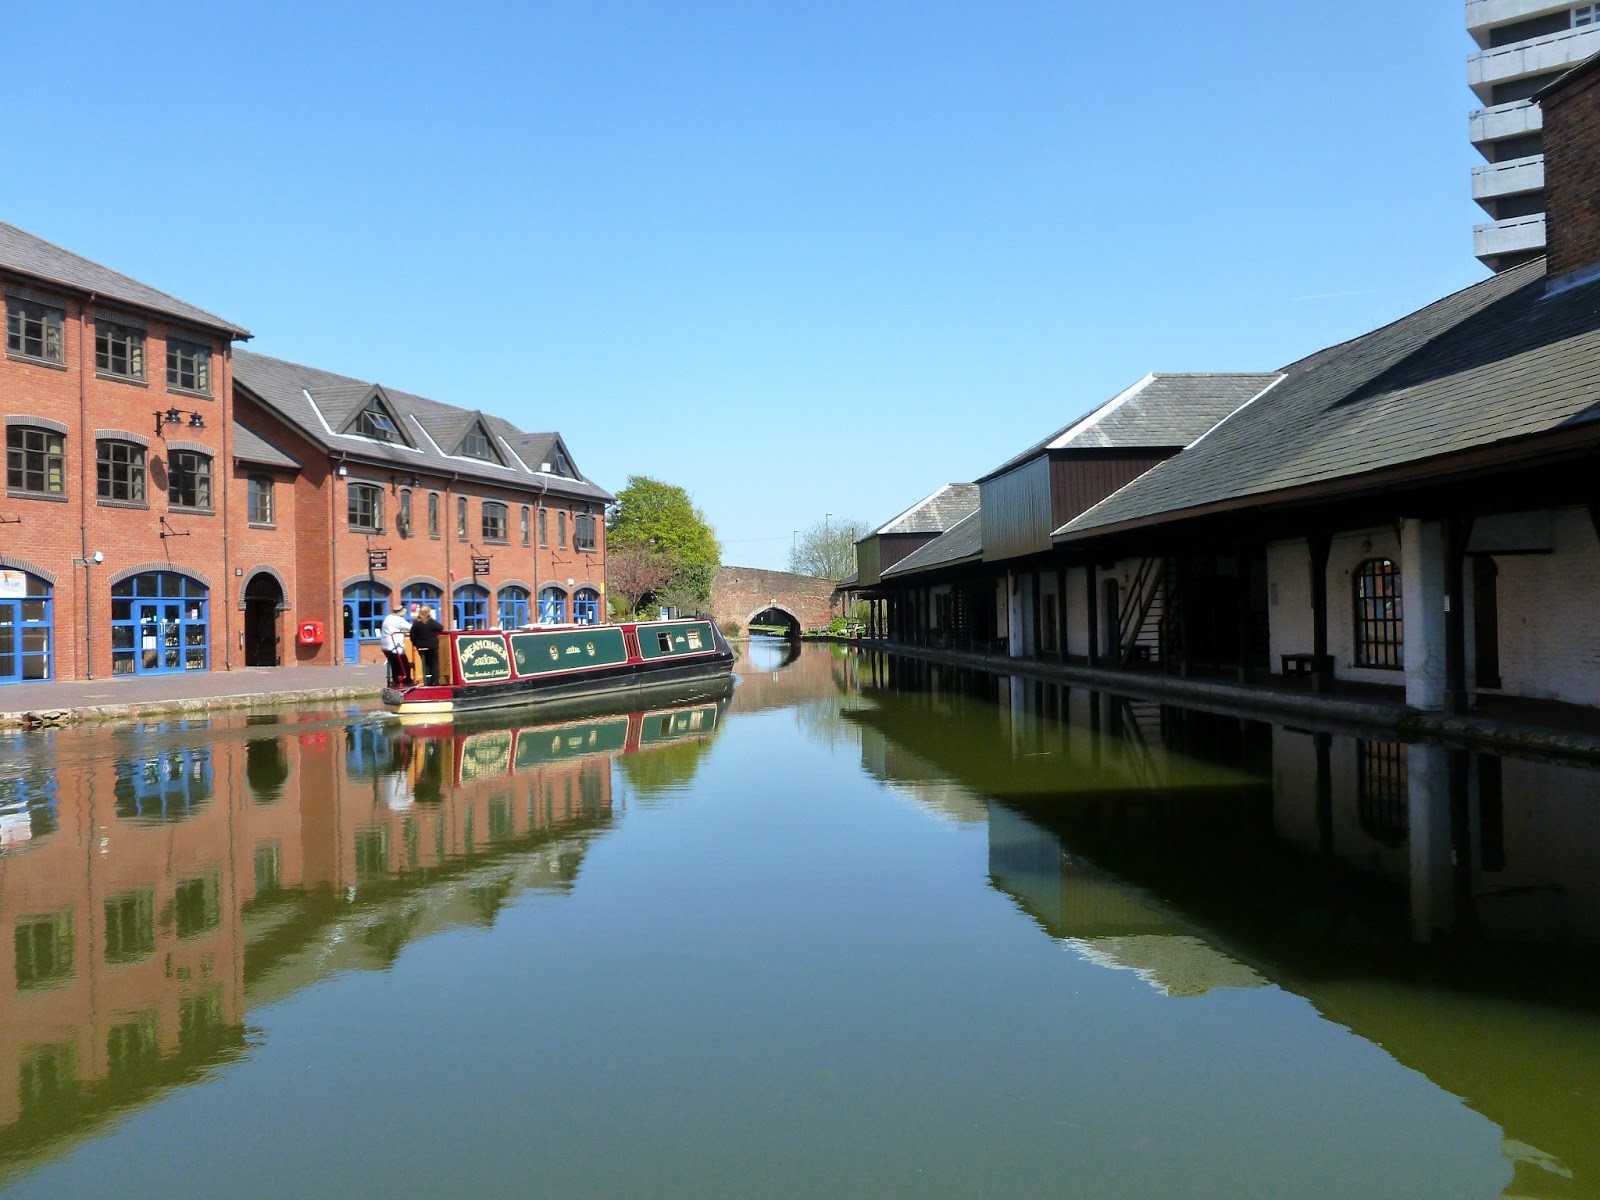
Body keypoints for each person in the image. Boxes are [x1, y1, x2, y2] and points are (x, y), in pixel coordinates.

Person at [378, 599, 413, 687]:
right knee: (405, 666)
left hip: (386, 647)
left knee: (395, 666)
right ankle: (407, 682)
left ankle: (395, 682)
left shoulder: (388, 618)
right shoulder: (398, 620)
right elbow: (411, 628)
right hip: (395, 647)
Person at [408, 605, 443, 686]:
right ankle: (435, 681)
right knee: (434, 663)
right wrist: (431, 619)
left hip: (421, 646)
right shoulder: (431, 622)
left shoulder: (416, 623)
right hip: (432, 645)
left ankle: (427, 681)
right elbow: (441, 628)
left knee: (425, 664)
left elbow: (412, 636)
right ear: (429, 613)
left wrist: (416, 644)